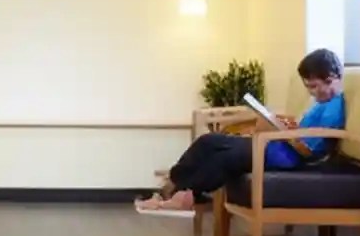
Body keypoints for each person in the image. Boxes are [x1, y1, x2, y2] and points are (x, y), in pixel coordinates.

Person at [136, 48, 347, 215]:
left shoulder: (333, 108)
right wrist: (285, 126)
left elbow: (309, 150)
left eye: (318, 86)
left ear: (333, 77)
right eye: (310, 87)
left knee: (226, 158)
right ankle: (173, 185)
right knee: (209, 141)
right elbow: (305, 130)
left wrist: (286, 132)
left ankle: (182, 196)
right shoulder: (322, 102)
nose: (315, 92)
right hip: (278, 145)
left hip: (286, 155)